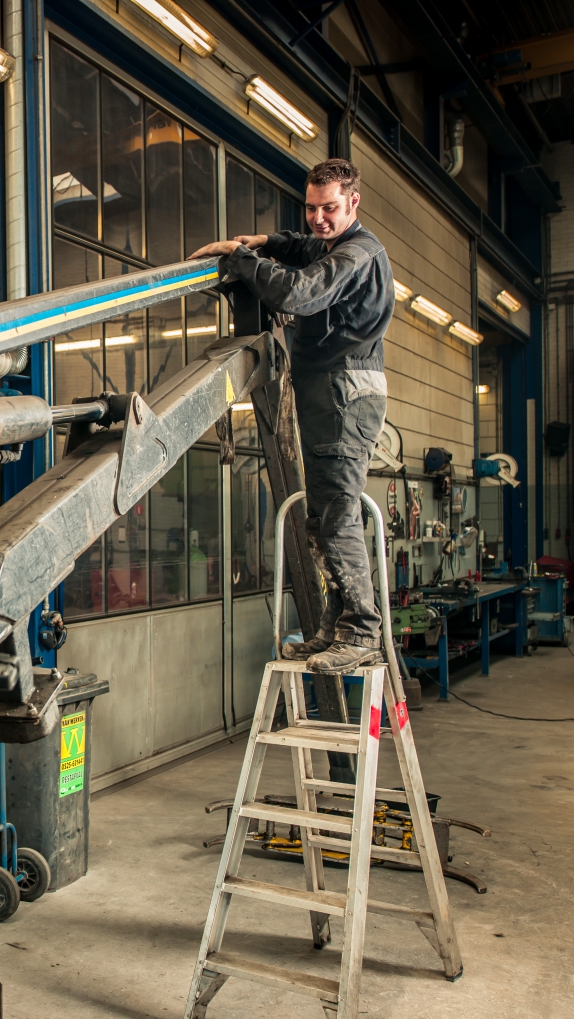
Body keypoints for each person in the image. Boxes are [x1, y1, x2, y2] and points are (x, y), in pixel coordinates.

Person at [191, 157, 393, 675]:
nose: (318, 218)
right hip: (328, 394)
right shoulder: (328, 243)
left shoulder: (359, 254)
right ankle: (334, 624)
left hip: (345, 397)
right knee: (320, 516)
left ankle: (363, 632)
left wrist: (242, 261)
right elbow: (302, 248)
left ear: (354, 202)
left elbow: (302, 292)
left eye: (329, 208)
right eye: (311, 207)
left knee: (338, 515)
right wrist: (264, 242)